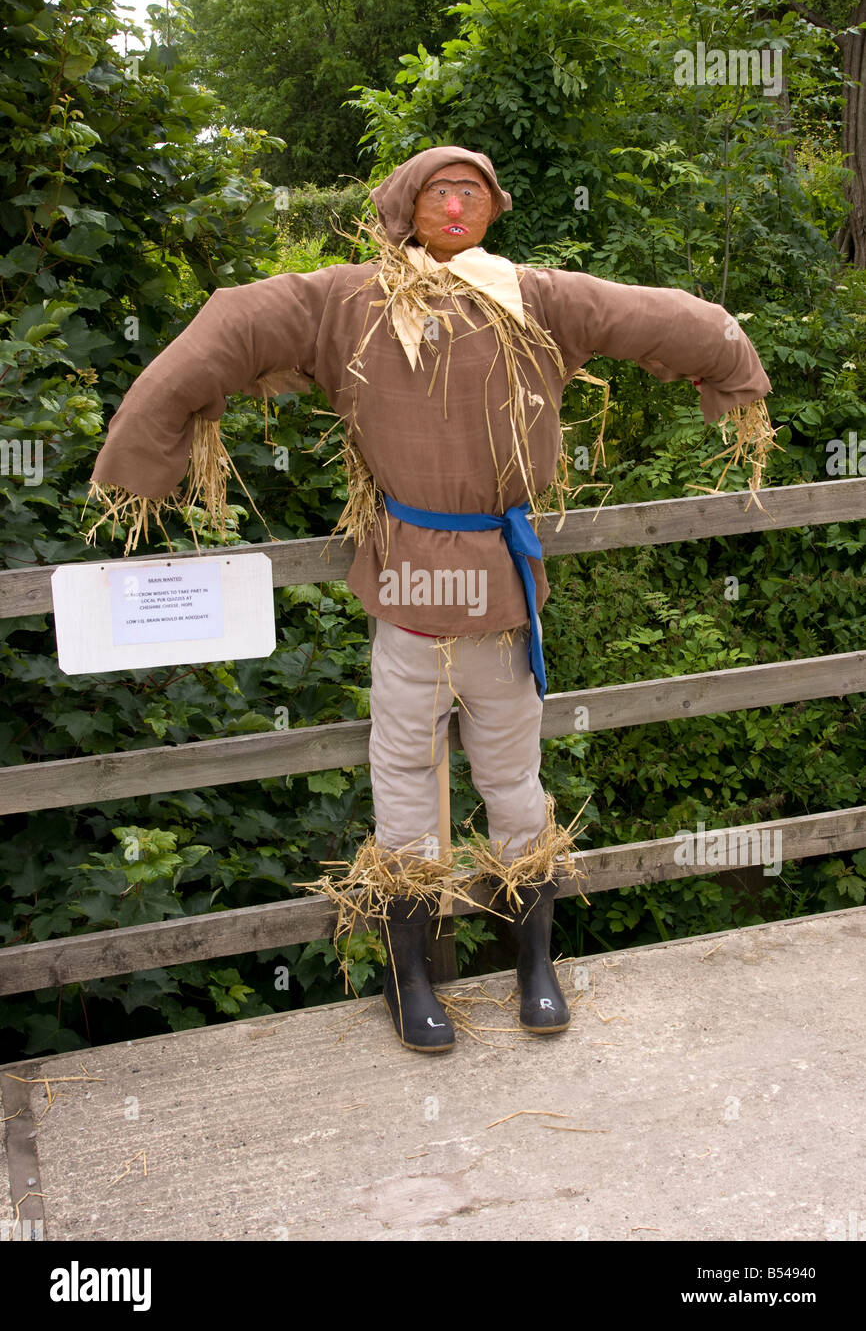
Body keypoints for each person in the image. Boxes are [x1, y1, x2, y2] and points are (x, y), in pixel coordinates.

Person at [86, 145, 773, 1054]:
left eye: (474, 193)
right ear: (405, 205)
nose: (457, 206)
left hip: (501, 596)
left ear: (495, 208)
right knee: (403, 793)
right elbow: (231, 327)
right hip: (408, 594)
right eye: (439, 192)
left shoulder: (538, 296)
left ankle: (534, 968)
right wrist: (143, 450)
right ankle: (414, 987)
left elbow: (657, 317)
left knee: (516, 789)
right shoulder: (349, 300)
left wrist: (737, 370)